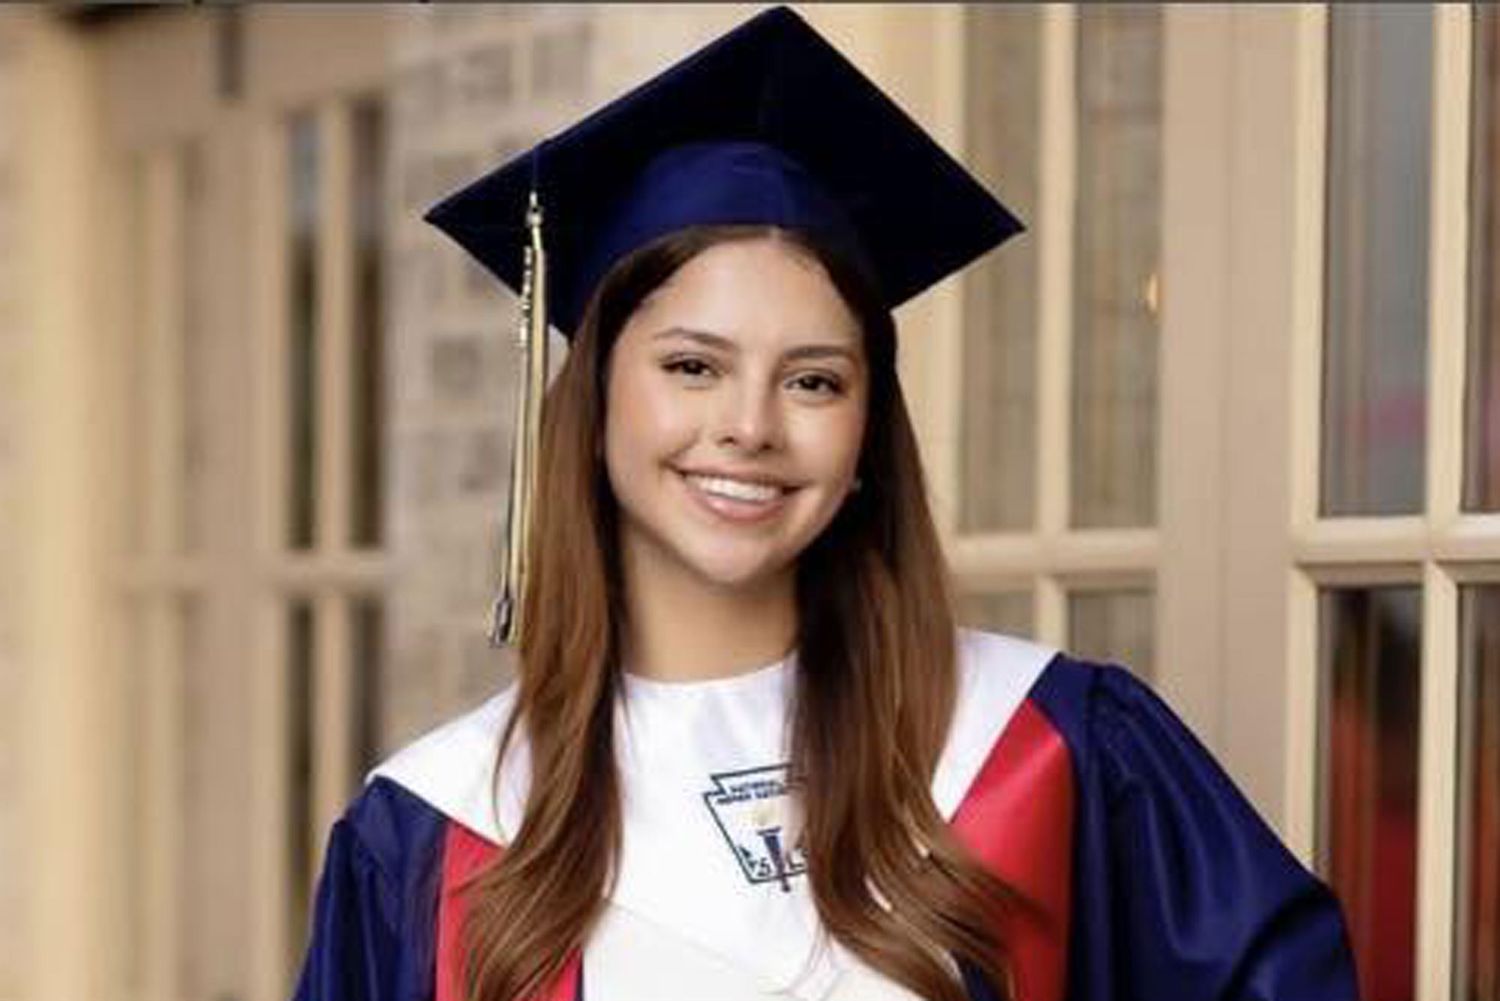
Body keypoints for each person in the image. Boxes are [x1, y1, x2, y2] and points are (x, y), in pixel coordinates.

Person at [292, 8, 1358, 1001]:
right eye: (693, 366)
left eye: (813, 380)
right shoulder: (439, 829)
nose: (751, 425)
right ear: (595, 398)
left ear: (864, 436)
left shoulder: (1042, 744)